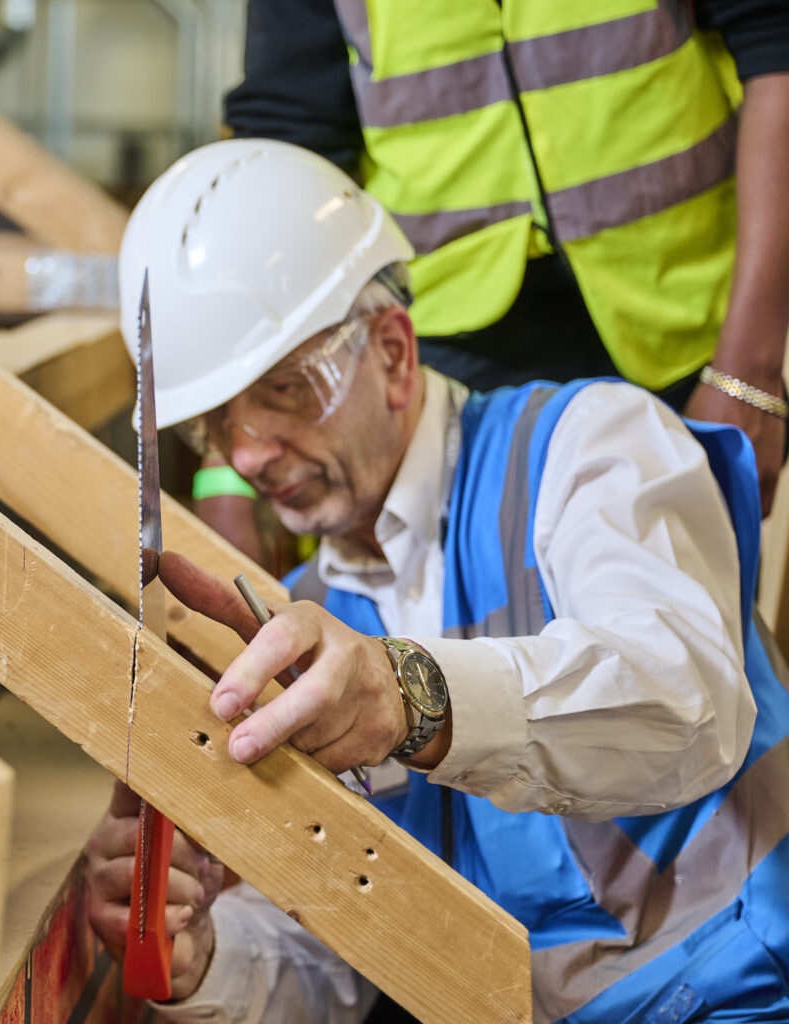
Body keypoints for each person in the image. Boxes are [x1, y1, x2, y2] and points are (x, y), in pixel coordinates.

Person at [86, 139, 789, 1022]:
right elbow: (342, 956)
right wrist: (206, 960)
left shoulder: (590, 448)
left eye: (285, 391)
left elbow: (689, 700)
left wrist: (411, 697)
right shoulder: (306, 624)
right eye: (215, 426)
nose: (249, 453)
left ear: (392, 351)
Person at [204, 0, 789, 515]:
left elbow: (773, 39)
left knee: (682, 625)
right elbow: (289, 137)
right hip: (434, 355)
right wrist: (235, 458)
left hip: (689, 335)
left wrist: (749, 372)